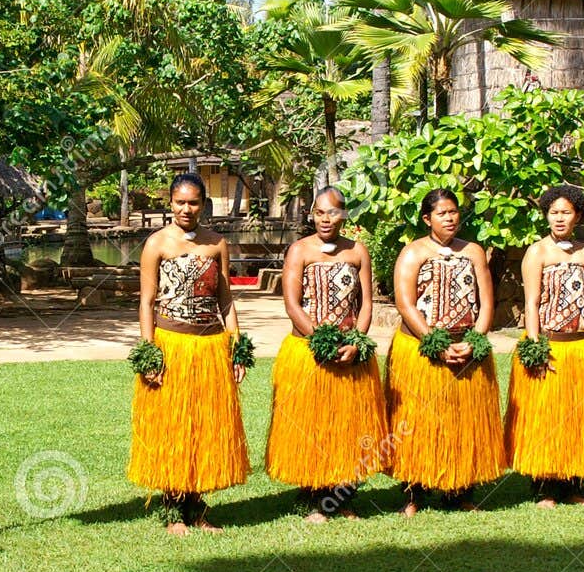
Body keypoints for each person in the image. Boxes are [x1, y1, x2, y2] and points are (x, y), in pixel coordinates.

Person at [127, 173, 251, 536]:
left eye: (193, 202)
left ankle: (198, 508)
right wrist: (151, 353)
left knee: (206, 426)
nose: (186, 209)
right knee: (173, 427)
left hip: (210, 346)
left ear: (203, 205)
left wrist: (237, 347)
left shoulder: (216, 244)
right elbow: (147, 302)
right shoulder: (157, 243)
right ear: (170, 203)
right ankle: (173, 511)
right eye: (180, 202)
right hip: (172, 344)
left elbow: (225, 301)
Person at [265, 186, 389, 522]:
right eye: (320, 212)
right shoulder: (300, 251)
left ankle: (343, 496)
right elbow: (292, 304)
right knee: (315, 425)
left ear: (344, 215)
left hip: (352, 352)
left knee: (349, 425)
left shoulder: (357, 251)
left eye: (333, 212)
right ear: (311, 215)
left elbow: (366, 304)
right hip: (308, 351)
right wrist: (322, 340)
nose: (326, 218)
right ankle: (316, 496)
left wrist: (357, 340)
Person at [387, 188, 506, 515]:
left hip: (467, 348)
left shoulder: (474, 252)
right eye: (442, 213)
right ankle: (414, 492)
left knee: (463, 421)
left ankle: (460, 491)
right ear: (427, 219)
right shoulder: (413, 253)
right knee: (419, 422)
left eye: (453, 212)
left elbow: (485, 304)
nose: (450, 218)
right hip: (421, 349)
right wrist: (435, 344)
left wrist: (475, 339)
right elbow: (405, 304)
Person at [503, 184, 584, 507]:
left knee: (577, 417)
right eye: (554, 212)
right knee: (548, 418)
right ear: (546, 215)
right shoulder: (537, 252)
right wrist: (536, 348)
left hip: (579, 345)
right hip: (549, 344)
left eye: (566, 212)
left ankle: (575, 485)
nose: (559, 218)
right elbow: (532, 303)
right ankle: (545, 486)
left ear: (577, 215)